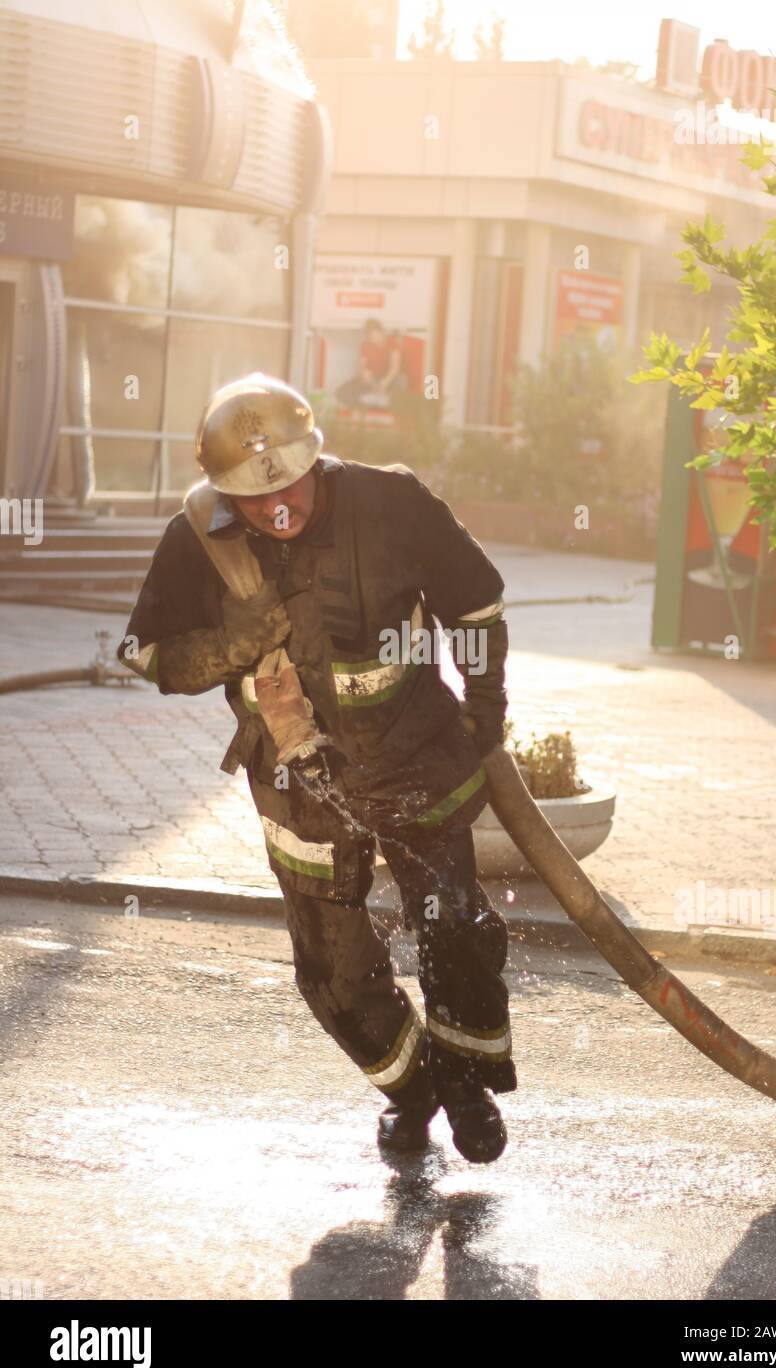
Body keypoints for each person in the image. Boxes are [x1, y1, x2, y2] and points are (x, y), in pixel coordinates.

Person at [118, 373, 515, 1163]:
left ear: (314, 459)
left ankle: (465, 1080)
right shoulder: (199, 536)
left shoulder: (393, 504)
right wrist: (229, 649)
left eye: (290, 484)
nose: (278, 506)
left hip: (413, 755)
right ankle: (411, 1093)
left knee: (455, 930)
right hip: (297, 777)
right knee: (332, 966)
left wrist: (484, 708)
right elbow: (145, 652)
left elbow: (476, 605)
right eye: (254, 497)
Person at [336, 318, 406, 409]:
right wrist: (364, 373)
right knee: (342, 392)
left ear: (380, 332)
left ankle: (382, 400)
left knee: (401, 382)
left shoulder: (393, 344)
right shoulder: (365, 345)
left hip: (389, 380)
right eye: (369, 336)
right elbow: (362, 366)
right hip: (372, 381)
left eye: (373, 335)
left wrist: (385, 383)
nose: (371, 338)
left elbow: (395, 368)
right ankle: (367, 402)